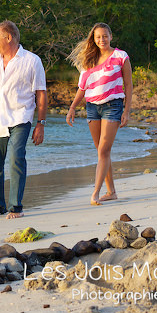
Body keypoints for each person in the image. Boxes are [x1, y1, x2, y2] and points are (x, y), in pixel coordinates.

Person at [0, 20, 47, 219]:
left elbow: (41, 93)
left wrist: (41, 123)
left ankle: (15, 207)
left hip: (21, 118)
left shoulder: (32, 60)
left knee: (16, 158)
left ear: (9, 38)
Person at [65, 23, 133, 206]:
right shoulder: (88, 61)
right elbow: (82, 88)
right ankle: (111, 192)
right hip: (92, 107)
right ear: (93, 40)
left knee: (104, 150)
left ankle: (95, 193)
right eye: (98, 37)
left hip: (113, 106)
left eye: (104, 36)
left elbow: (128, 85)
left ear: (111, 36)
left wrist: (126, 110)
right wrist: (72, 108)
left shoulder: (121, 56)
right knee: (102, 151)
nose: (101, 40)